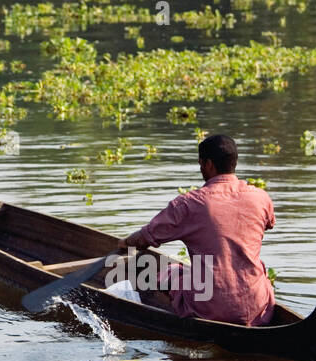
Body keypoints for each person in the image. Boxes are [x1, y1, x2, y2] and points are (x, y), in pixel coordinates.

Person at [114, 134, 275, 326]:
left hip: (209, 306)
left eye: (200, 164)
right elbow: (268, 223)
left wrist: (125, 243)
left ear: (208, 164)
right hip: (257, 304)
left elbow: (146, 238)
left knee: (170, 272)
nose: (200, 169)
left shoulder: (189, 204)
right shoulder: (261, 198)